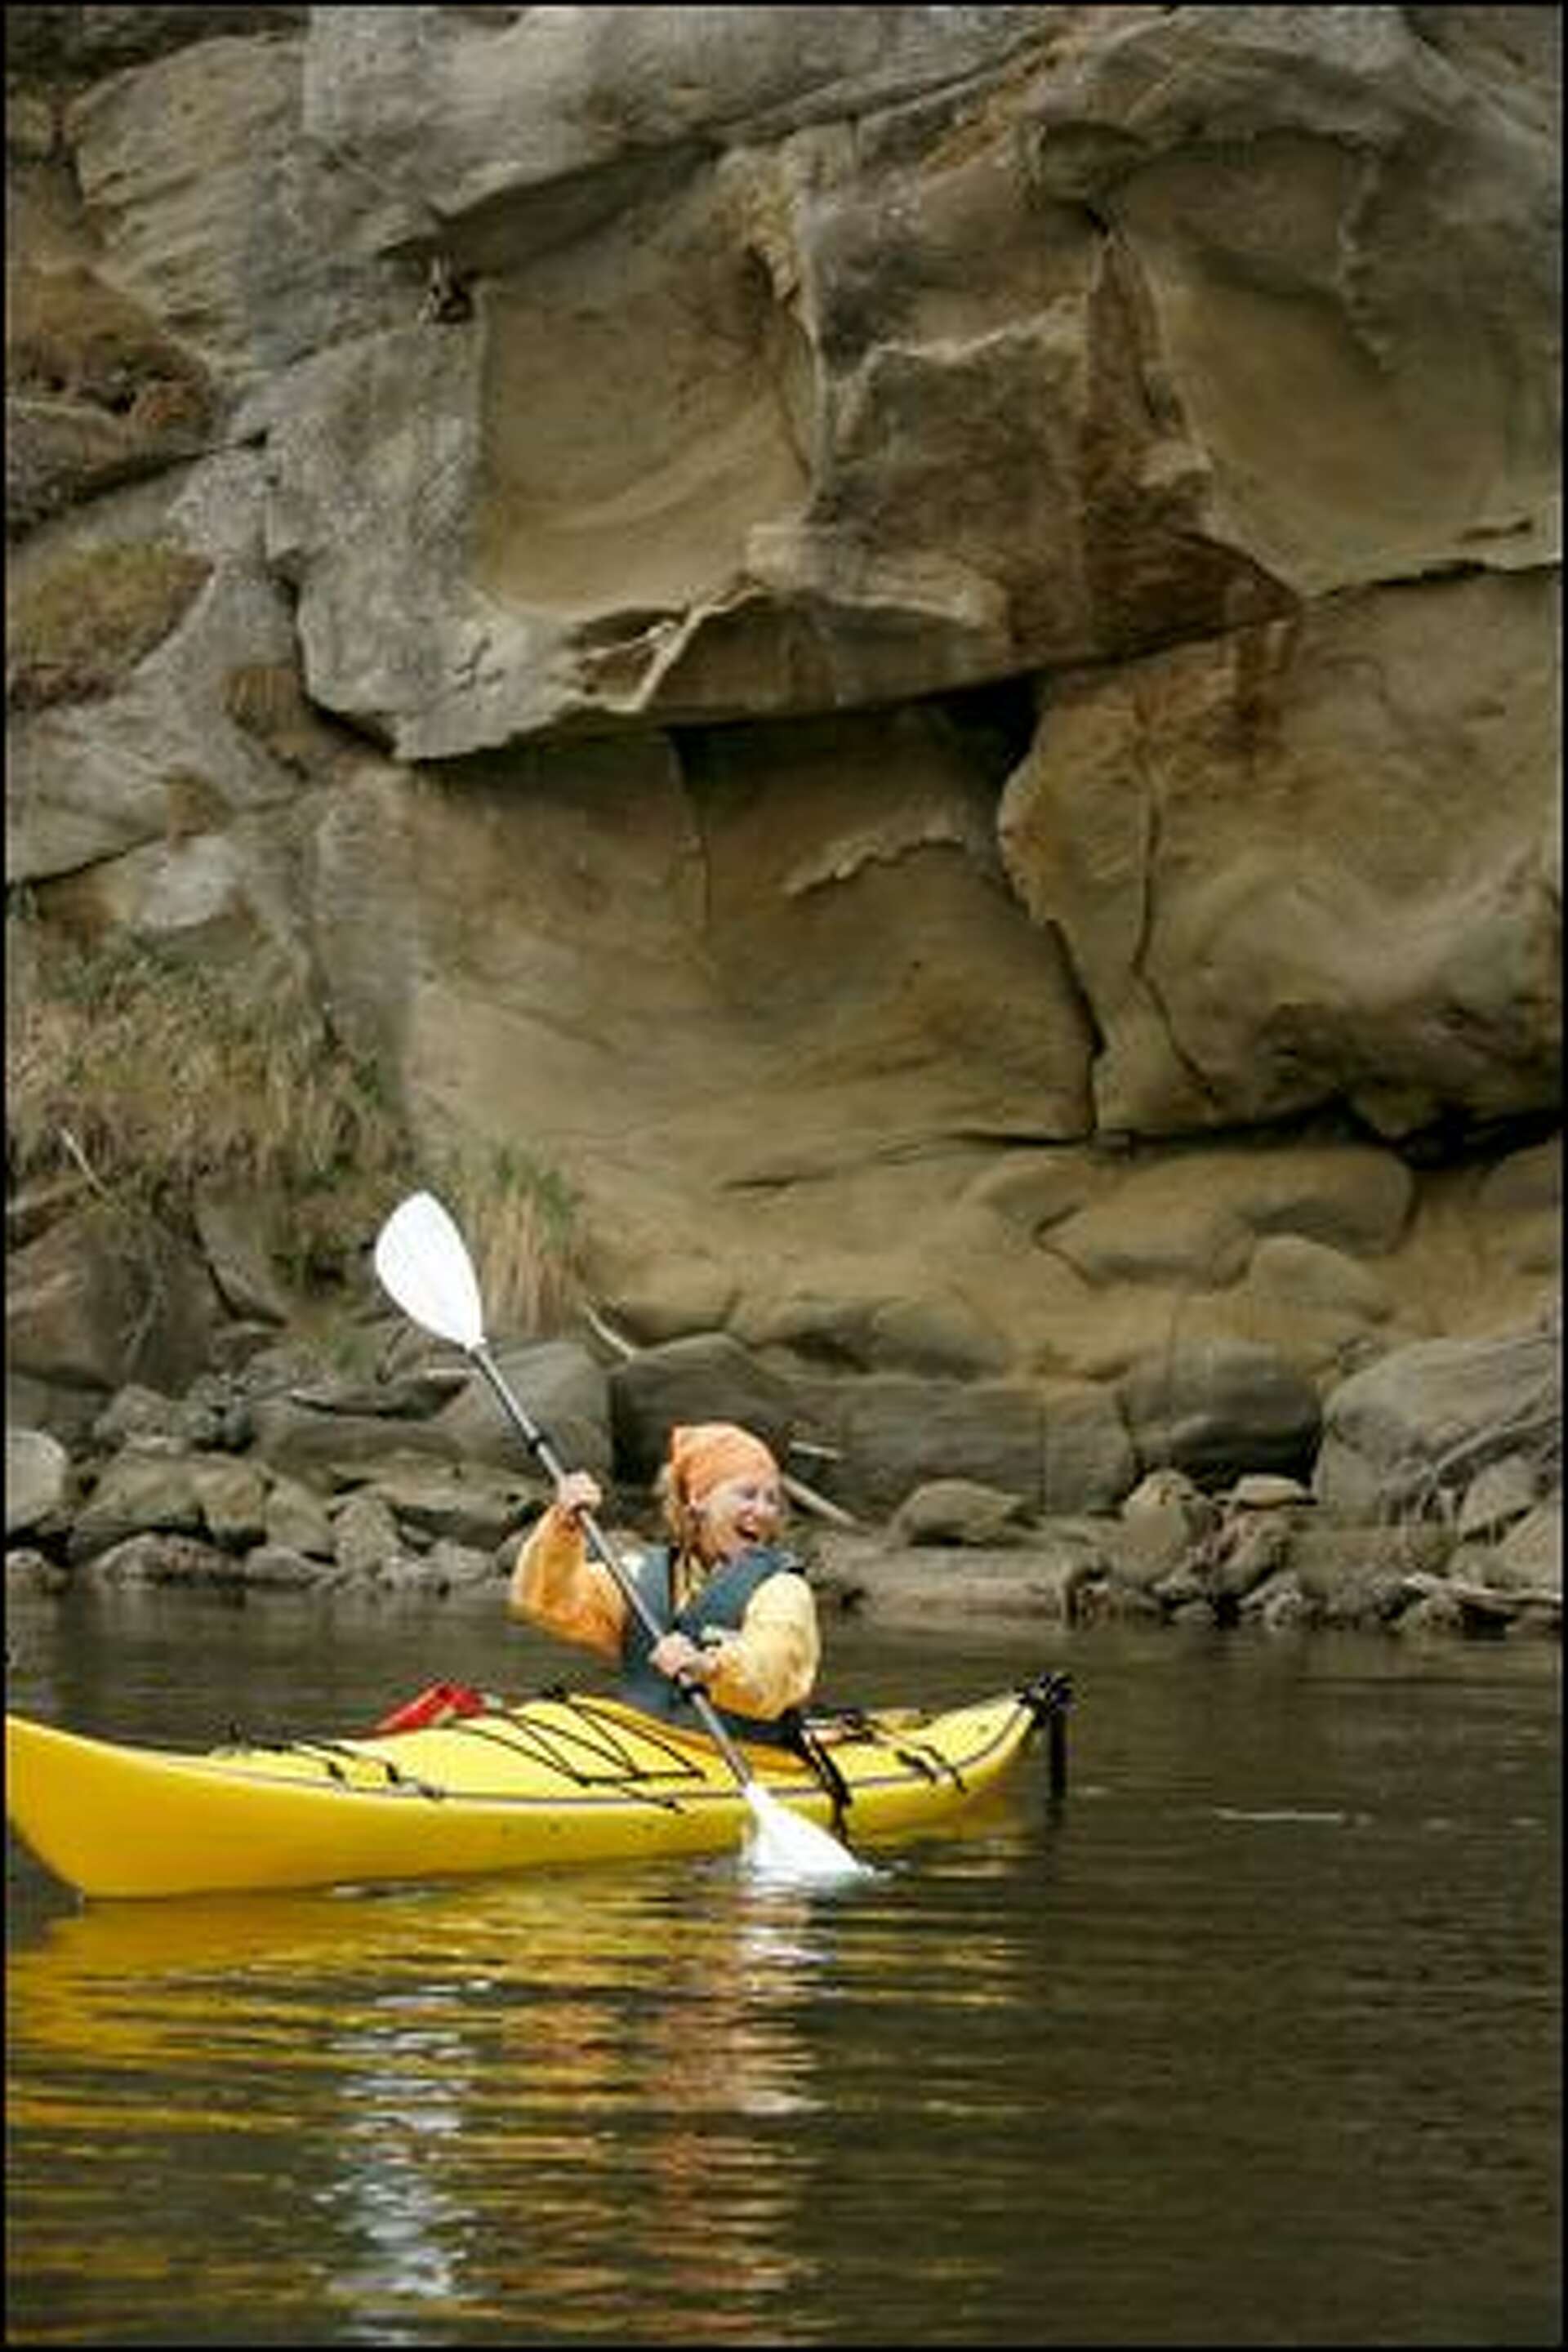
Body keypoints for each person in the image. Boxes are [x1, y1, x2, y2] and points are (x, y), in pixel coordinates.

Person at [508, 1420, 820, 1744]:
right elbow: (545, 1603)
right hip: (646, 1752)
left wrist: (709, 1667)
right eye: (747, 1494)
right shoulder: (640, 1574)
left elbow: (773, 1676)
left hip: (750, 1757)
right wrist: (563, 1527)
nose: (763, 1510)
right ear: (698, 1499)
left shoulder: (782, 1589)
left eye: (771, 1499)